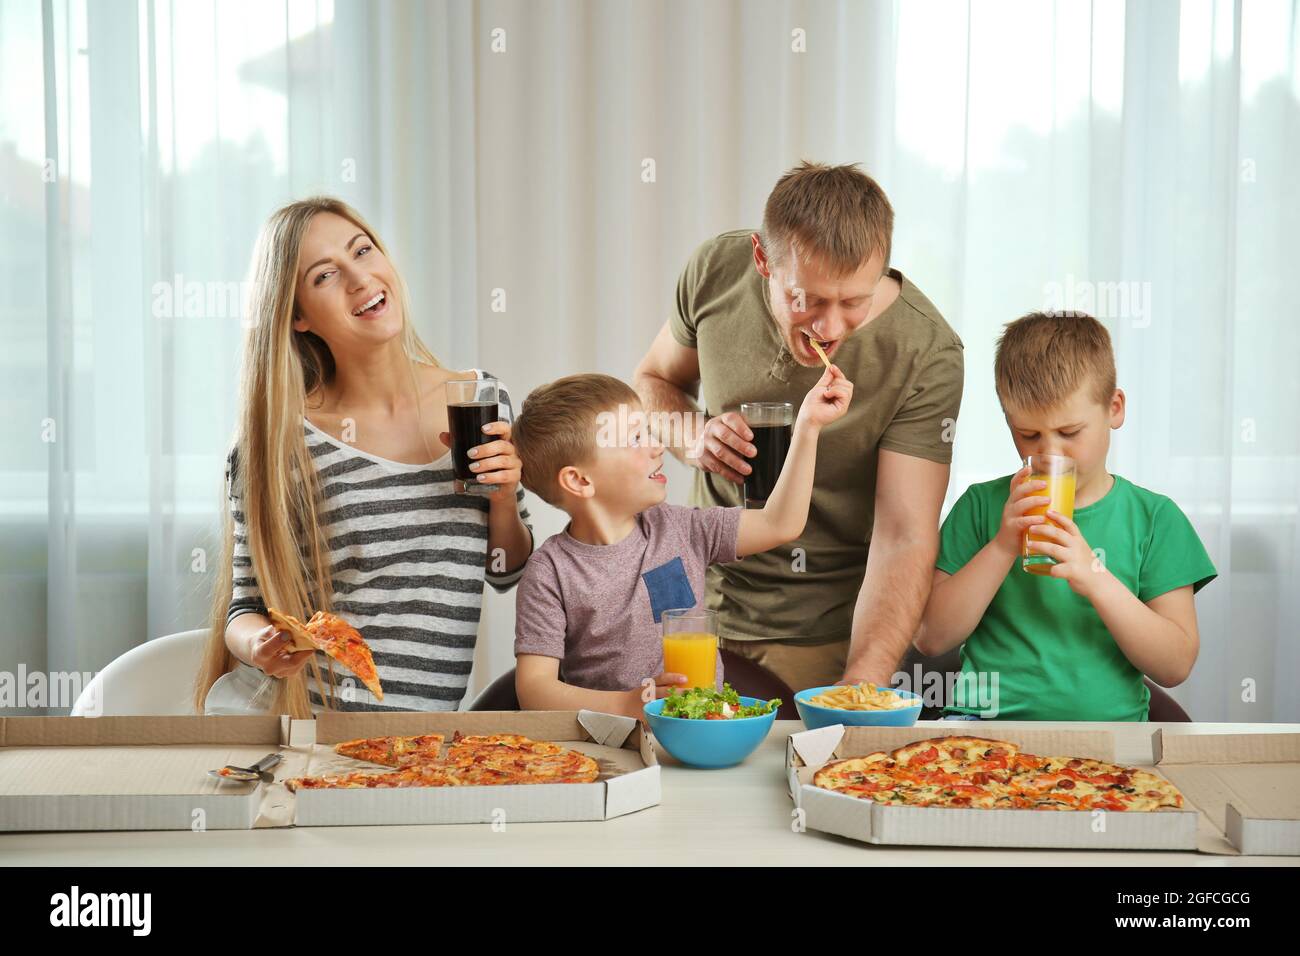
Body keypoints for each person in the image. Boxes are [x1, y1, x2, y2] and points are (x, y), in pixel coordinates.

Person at [194, 197, 533, 717]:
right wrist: (261, 646)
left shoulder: (478, 400)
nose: (361, 279)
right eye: (326, 275)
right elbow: (244, 609)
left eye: (364, 251)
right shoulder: (279, 442)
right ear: (297, 316)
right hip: (312, 731)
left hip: (421, 745)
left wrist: (505, 498)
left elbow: (506, 572)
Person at [633, 161, 963, 692]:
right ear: (763, 260)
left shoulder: (927, 352)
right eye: (806, 300)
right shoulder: (715, 269)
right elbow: (652, 380)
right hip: (686, 611)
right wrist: (694, 437)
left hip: (820, 637)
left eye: (854, 301)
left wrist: (860, 688)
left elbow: (904, 536)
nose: (829, 328)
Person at [914, 312, 1216, 720]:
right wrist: (1003, 545)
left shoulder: (1155, 519)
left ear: (1114, 408)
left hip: (1110, 741)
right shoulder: (981, 506)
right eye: (1029, 435)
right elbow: (931, 638)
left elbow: (1175, 665)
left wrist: (1093, 576)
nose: (1050, 453)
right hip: (983, 735)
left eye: (1070, 432)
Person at [511, 369, 851, 718]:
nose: (657, 446)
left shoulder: (681, 528)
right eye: (634, 439)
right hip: (607, 746)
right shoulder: (550, 571)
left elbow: (780, 523)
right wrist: (626, 705)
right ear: (580, 480)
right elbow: (534, 690)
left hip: (704, 730)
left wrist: (809, 427)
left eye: (647, 432)